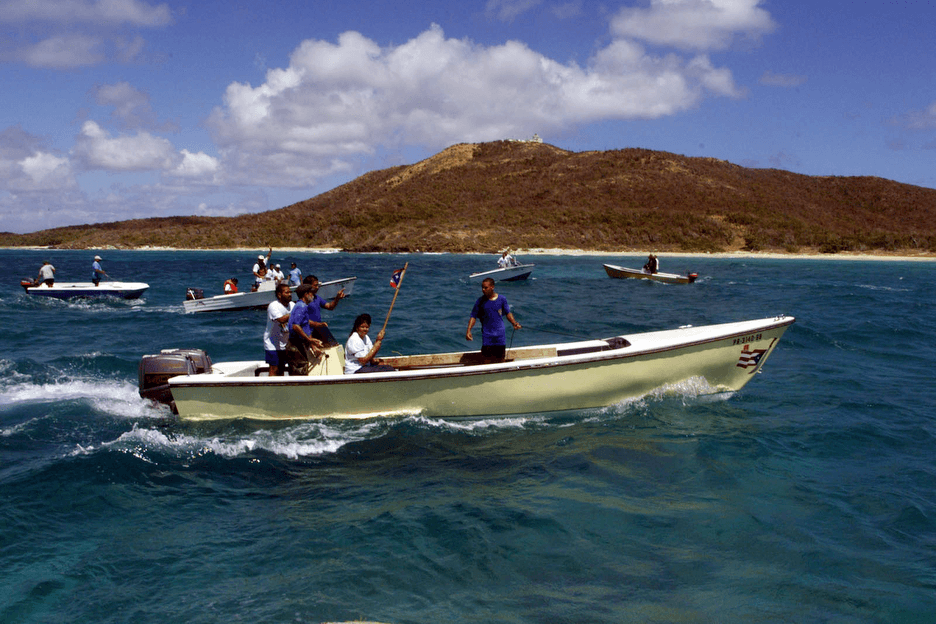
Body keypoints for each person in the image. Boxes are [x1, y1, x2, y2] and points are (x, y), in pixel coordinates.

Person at [466, 277, 521, 363]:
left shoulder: (502, 299)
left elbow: (508, 313)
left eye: (485, 287)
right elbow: (473, 316)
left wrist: (514, 323)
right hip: (487, 336)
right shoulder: (480, 301)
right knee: (486, 361)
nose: (483, 290)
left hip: (500, 335)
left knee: (501, 360)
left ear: (492, 287)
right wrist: (468, 330)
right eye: (482, 287)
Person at [287, 284, 325, 372]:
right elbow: (296, 326)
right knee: (299, 372)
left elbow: (305, 325)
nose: (313, 296)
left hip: (299, 344)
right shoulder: (302, 307)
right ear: (306, 294)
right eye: (311, 293)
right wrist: (309, 339)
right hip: (296, 345)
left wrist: (312, 344)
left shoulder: (301, 305)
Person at [301, 275, 346, 346]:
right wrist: (317, 324)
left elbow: (330, 306)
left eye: (318, 285)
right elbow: (302, 319)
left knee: (333, 345)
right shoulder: (303, 301)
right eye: (315, 285)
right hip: (309, 331)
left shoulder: (317, 298)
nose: (317, 287)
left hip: (318, 329)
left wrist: (337, 298)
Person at [264, 283, 294, 376]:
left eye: (290, 292)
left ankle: (280, 388)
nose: (290, 294)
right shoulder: (273, 306)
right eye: (286, 292)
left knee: (282, 367)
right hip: (272, 343)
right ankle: (270, 388)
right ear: (279, 295)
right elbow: (281, 319)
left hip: (285, 343)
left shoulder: (292, 305)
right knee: (274, 368)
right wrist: (295, 313)